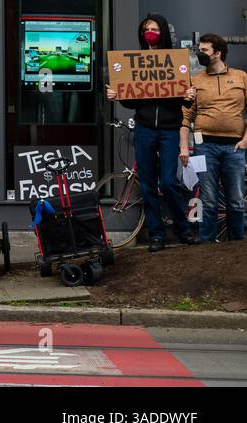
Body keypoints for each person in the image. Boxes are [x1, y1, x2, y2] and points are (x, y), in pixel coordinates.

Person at [105, 14, 194, 251]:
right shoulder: (135, 62)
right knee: (145, 184)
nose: (150, 32)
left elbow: (184, 102)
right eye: (146, 29)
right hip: (144, 129)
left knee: (167, 182)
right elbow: (133, 103)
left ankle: (182, 229)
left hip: (169, 130)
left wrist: (188, 97)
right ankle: (156, 234)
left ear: (163, 31)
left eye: (154, 28)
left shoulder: (175, 62)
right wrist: (118, 96)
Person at [181, 34, 247, 243]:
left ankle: (236, 247)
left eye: (205, 50)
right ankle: (207, 248)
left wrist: (246, 140)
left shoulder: (241, 77)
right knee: (208, 200)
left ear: (218, 53)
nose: (200, 53)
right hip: (204, 148)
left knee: (236, 201)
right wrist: (184, 147)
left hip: (234, 148)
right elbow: (185, 117)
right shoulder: (196, 80)